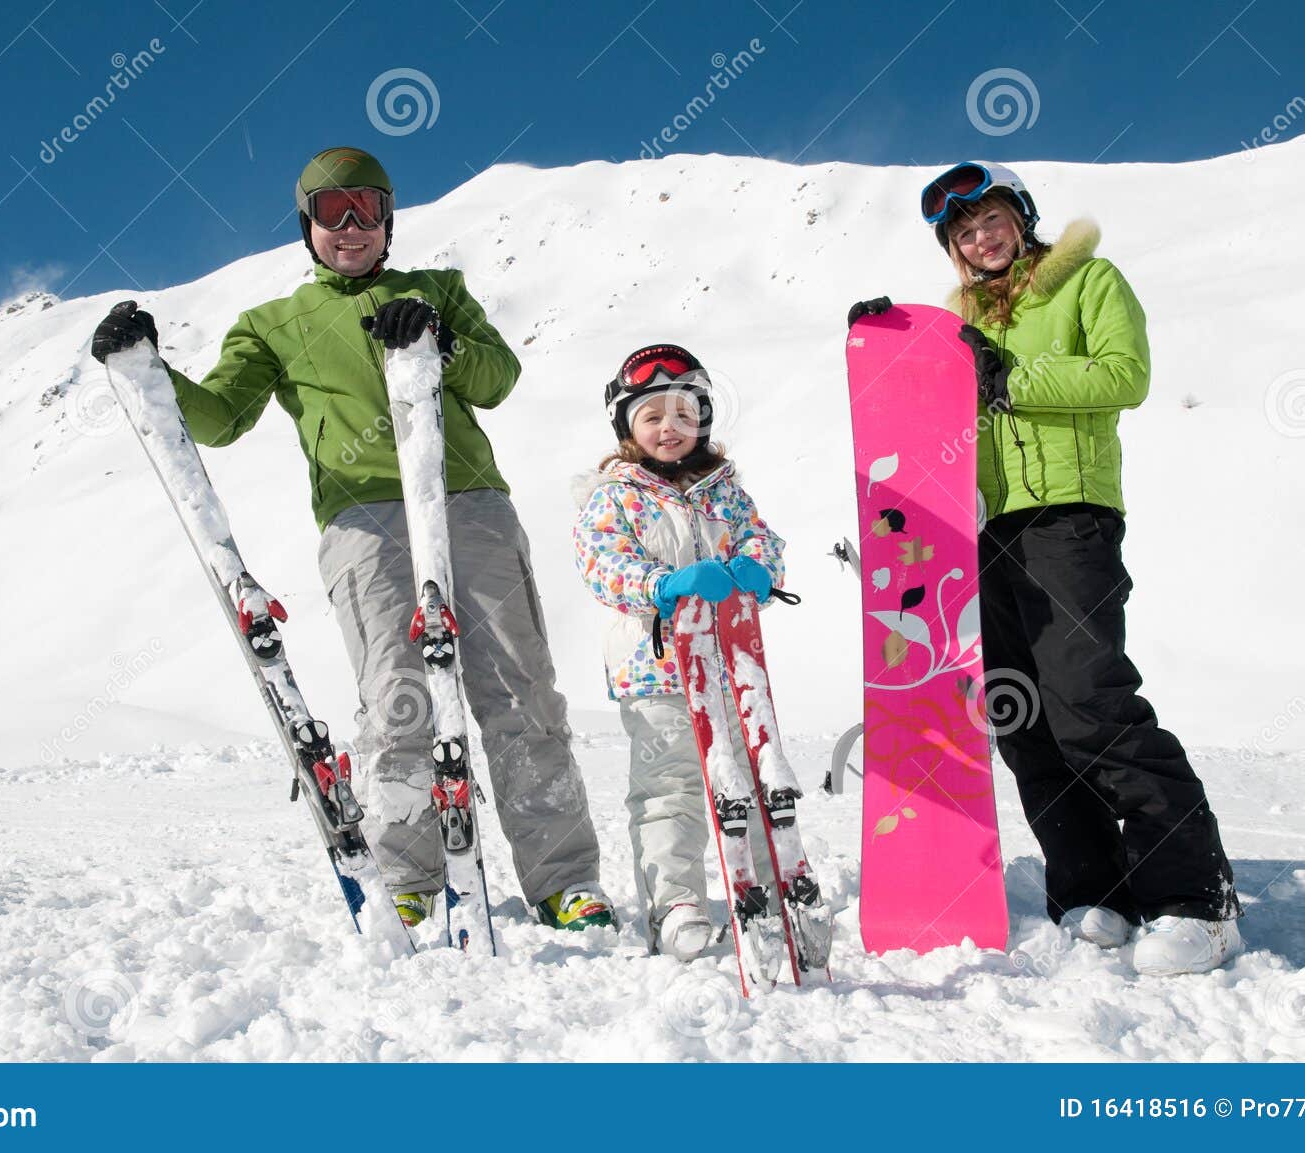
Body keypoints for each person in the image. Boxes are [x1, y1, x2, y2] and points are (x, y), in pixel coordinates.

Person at [90, 145, 612, 932]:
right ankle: (411, 879)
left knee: (519, 689)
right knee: (397, 699)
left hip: (466, 500)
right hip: (363, 520)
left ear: (389, 220)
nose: (351, 226)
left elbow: (497, 378)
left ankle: (564, 881)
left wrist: (439, 339)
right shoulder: (273, 325)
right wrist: (146, 369)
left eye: (367, 209)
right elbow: (220, 419)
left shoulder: (437, 290)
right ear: (307, 226)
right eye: (332, 212)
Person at [850, 161, 1241, 975]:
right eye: (963, 232)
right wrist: (896, 342)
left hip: (1069, 518)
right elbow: (927, 414)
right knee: (1023, 718)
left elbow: (1124, 375)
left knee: (1090, 703)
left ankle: (1197, 900)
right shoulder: (959, 321)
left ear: (1022, 218)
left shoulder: (1087, 280)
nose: (980, 238)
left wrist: (1012, 376)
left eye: (991, 220)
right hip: (980, 531)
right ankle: (1095, 887)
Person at [571, 344, 785, 959]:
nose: (670, 427)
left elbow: (762, 540)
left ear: (704, 423)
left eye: (684, 414)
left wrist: (759, 569)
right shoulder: (615, 496)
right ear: (627, 427)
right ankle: (676, 905)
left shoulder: (725, 493)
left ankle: (772, 886)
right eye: (652, 416)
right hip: (656, 670)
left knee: (752, 777)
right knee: (671, 789)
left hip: (731, 667)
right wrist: (659, 586)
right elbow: (602, 563)